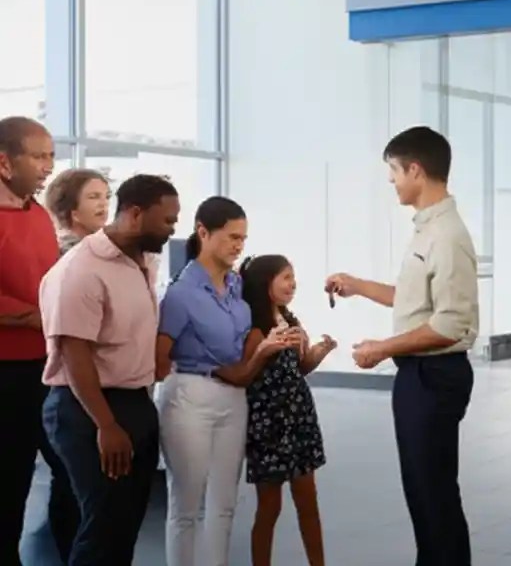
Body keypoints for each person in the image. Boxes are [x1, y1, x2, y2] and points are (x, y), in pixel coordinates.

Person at [325, 125, 478, 566]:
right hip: (420, 375)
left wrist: (383, 348)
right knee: (424, 491)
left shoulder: (447, 235)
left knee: (433, 495)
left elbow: (450, 324)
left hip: (433, 376)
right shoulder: (428, 230)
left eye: (393, 171)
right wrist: (357, 285)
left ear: (415, 169)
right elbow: (414, 300)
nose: (391, 180)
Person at [39, 174, 179, 565]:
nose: (172, 230)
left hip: (134, 402)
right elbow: (73, 352)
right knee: (103, 528)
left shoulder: (142, 262)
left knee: (125, 525)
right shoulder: (80, 270)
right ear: (136, 214)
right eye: (167, 220)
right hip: (89, 408)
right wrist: (106, 424)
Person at [154, 197, 298, 566]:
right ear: (203, 232)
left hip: (235, 399)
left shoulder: (237, 287)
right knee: (186, 505)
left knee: (225, 504)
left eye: (243, 239)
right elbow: (160, 355)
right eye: (232, 237)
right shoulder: (180, 293)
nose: (238, 246)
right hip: (189, 395)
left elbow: (246, 346)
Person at [0, 116, 77, 565]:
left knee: (71, 473)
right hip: (7, 374)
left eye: (51, 154)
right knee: (9, 483)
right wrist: (30, 317)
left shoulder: (39, 216)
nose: (49, 165)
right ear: (5, 162)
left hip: (49, 367)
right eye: (39, 155)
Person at [240, 254, 337, 566]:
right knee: (269, 508)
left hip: (299, 420)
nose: (292, 283)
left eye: (292, 276)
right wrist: (266, 349)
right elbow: (247, 374)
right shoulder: (256, 330)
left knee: (309, 503)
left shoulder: (292, 322)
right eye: (285, 277)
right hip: (269, 426)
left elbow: (300, 368)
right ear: (265, 283)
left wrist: (319, 352)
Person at [44, 168, 112, 255]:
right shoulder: (69, 253)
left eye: (107, 196)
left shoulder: (107, 246)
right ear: (72, 209)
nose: (104, 203)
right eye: (93, 197)